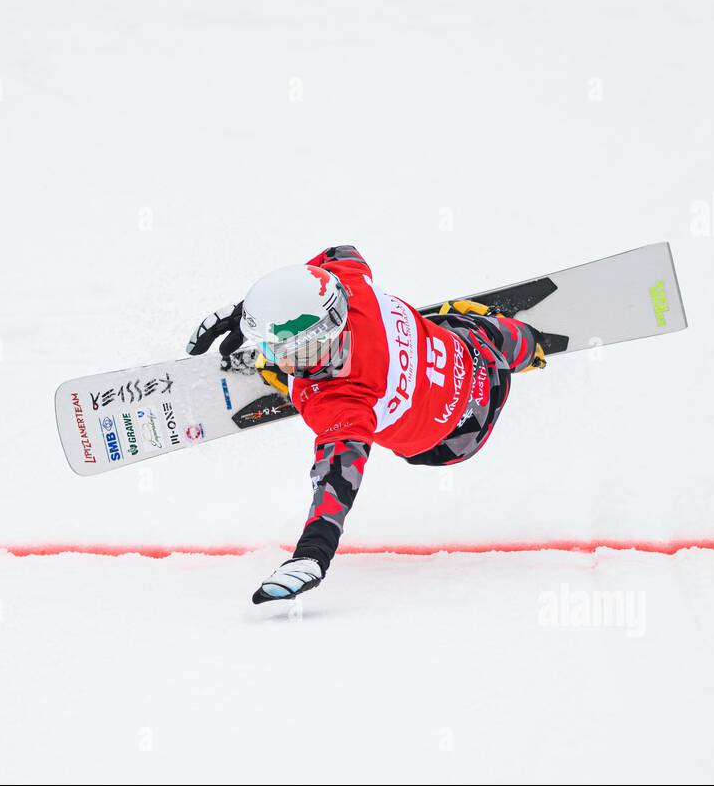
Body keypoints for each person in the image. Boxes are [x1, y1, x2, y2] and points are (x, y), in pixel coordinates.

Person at [186, 246, 546, 604]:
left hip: (450, 444)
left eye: (293, 352)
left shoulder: (344, 404)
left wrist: (314, 552)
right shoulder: (353, 284)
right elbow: (342, 252)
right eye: (273, 349)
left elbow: (338, 480)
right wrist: (250, 312)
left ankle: (503, 344)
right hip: (474, 353)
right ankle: (521, 344)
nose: (286, 360)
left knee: (303, 386)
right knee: (461, 330)